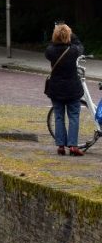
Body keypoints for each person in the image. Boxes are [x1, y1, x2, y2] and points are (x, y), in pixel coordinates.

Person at [45, 22, 85, 155]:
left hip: (56, 89)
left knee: (58, 116)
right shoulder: (74, 50)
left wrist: (57, 33)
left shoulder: (50, 51)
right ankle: (73, 146)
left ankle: (61, 145)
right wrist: (70, 34)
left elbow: (50, 46)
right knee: (74, 116)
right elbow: (80, 45)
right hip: (73, 89)